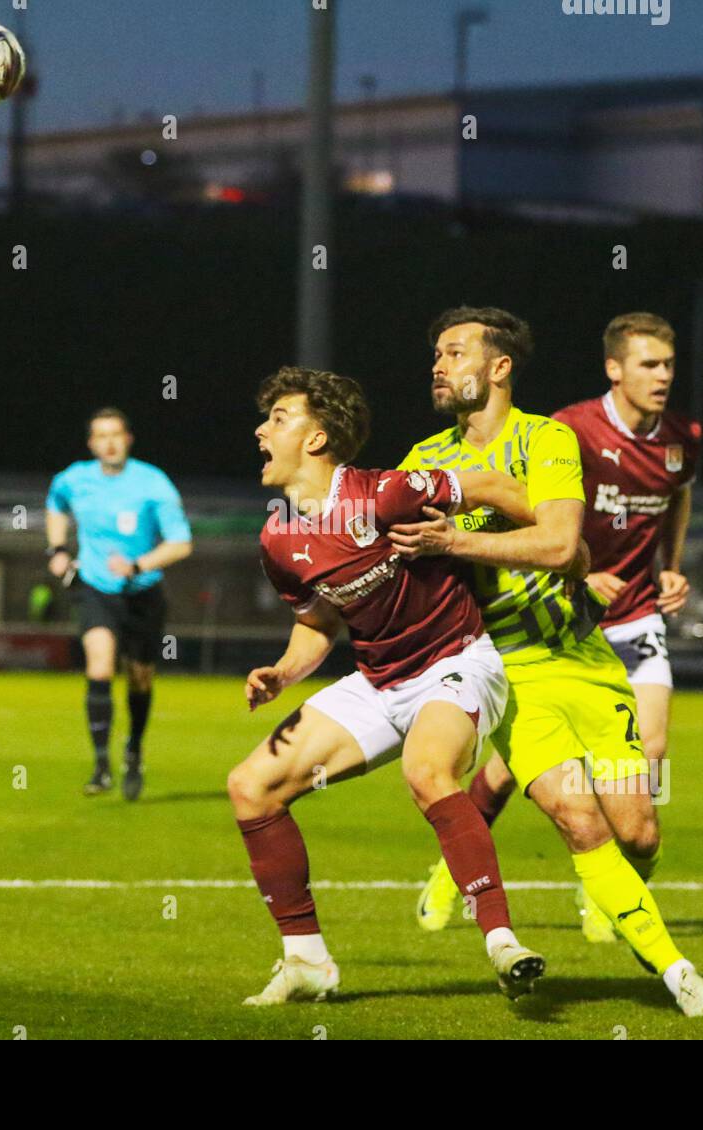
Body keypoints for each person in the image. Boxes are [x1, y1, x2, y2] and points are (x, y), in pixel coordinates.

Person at [395, 306, 703, 1017]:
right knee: (580, 820)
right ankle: (679, 975)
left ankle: (612, 894)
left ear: (499, 367)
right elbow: (392, 551)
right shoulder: (422, 462)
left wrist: (453, 540)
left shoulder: (548, 441)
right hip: (507, 671)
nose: (439, 365)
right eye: (438, 355)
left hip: (586, 657)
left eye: (455, 353)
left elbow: (558, 546)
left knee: (637, 830)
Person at [228, 365, 558, 1005]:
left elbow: (492, 484)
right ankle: (307, 961)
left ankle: (501, 942)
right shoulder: (279, 538)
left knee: (427, 770)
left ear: (318, 439)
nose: (261, 431)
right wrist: (283, 671)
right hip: (379, 679)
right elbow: (319, 624)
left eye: (279, 419)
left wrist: (558, 542)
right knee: (251, 787)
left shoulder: (387, 494)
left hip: (456, 661)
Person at [46, 408, 193, 801]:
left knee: (140, 677)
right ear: (91, 443)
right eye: (101, 436)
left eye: (116, 434)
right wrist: (58, 549)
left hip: (143, 593)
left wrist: (138, 564)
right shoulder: (74, 479)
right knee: (99, 662)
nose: (109, 442)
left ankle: (133, 751)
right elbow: (55, 503)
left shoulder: (152, 483)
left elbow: (181, 543)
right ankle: (100, 765)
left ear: (128, 438)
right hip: (96, 588)